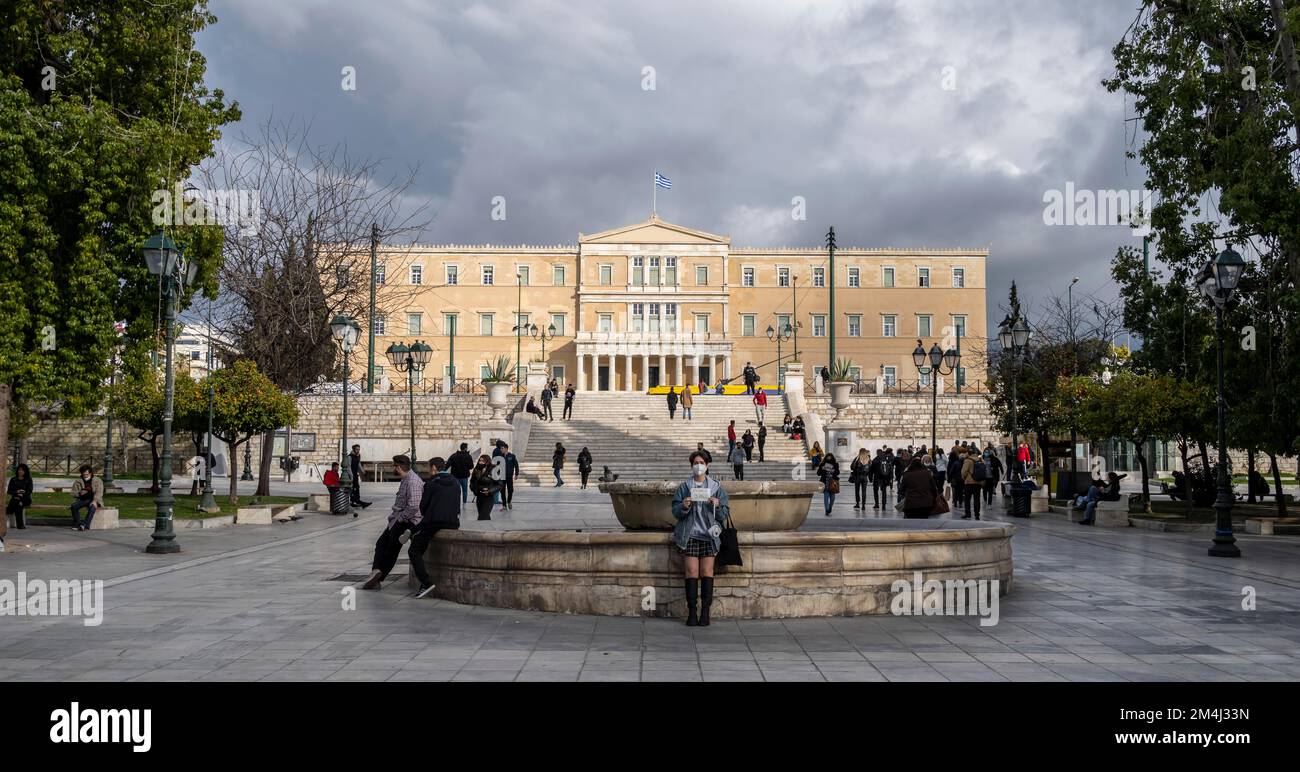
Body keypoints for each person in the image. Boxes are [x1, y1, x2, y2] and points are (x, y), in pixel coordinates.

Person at [671, 452, 731, 626]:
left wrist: (717, 505)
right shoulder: (684, 487)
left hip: (709, 536)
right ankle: (691, 611)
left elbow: (724, 514)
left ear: (707, 465)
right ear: (691, 466)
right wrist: (683, 506)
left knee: (707, 572)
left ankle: (705, 611)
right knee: (691, 572)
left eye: (701, 462)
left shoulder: (716, 487)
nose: (698, 465)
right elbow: (675, 511)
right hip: (690, 535)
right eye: (695, 462)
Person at [361, 455, 425, 590]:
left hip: (408, 521)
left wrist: (400, 520)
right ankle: (376, 573)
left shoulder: (413, 482)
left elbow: (414, 506)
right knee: (381, 544)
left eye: (394, 466)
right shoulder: (405, 479)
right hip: (398, 519)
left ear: (399, 467)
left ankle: (379, 576)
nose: (393, 469)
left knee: (392, 549)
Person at [410, 456, 462, 598]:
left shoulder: (431, 484)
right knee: (416, 530)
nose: (428, 470)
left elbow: (422, 508)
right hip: (453, 522)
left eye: (428, 467)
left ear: (433, 468)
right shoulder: (455, 482)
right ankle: (410, 531)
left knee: (414, 550)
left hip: (434, 522)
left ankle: (425, 583)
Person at [70, 465, 103, 531]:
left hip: (94, 499)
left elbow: (99, 492)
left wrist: (95, 501)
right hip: (83, 499)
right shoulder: (78, 481)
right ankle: (78, 524)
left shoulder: (97, 480)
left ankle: (85, 525)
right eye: (83, 474)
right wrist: (80, 493)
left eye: (86, 474)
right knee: (73, 506)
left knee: (92, 506)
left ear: (90, 473)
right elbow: (73, 493)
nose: (85, 475)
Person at [471, 455, 498, 520]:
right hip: (479, 497)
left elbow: (499, 484)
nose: (480, 462)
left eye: (483, 461)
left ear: (487, 461)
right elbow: (472, 481)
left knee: (482, 517)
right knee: (484, 516)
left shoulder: (493, 469)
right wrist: (474, 490)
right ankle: (489, 529)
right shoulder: (477, 469)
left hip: (488, 497)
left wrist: (490, 491)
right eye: (480, 460)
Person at [960, 447, 985, 520]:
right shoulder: (980, 459)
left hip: (969, 482)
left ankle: (968, 514)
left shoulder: (967, 460)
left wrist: (964, 478)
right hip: (978, 482)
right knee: (977, 499)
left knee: (967, 499)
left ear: (968, 453)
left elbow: (963, 472)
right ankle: (977, 515)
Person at [7, 463, 33, 530]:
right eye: (19, 470)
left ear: (25, 471)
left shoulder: (28, 479)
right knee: (18, 504)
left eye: (22, 470)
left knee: (16, 502)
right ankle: (20, 526)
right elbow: (9, 491)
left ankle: (8, 511)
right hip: (16, 498)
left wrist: (22, 494)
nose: (20, 471)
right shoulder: (13, 479)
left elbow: (29, 491)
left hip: (26, 499)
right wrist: (17, 492)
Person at [498, 442, 520, 511]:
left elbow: (516, 465)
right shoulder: (500, 457)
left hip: (509, 476)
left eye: (502, 448)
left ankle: (509, 501)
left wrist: (516, 474)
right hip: (502, 477)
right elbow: (497, 467)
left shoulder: (512, 456)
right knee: (502, 491)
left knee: (510, 490)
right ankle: (504, 505)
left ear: (506, 449)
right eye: (500, 448)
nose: (501, 450)